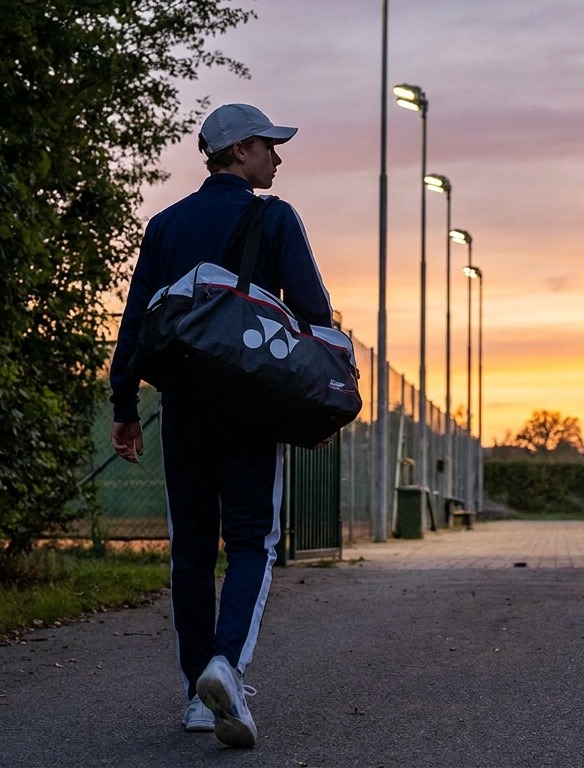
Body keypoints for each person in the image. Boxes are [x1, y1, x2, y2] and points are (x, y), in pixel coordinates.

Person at [107, 103, 334, 748]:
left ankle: (196, 697)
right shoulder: (274, 216)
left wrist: (125, 406)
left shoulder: (165, 224)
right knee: (252, 540)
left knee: (191, 547)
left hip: (182, 404)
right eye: (269, 147)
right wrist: (318, 396)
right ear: (239, 152)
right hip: (250, 405)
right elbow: (312, 313)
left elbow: (136, 322)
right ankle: (225, 667)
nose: (277, 159)